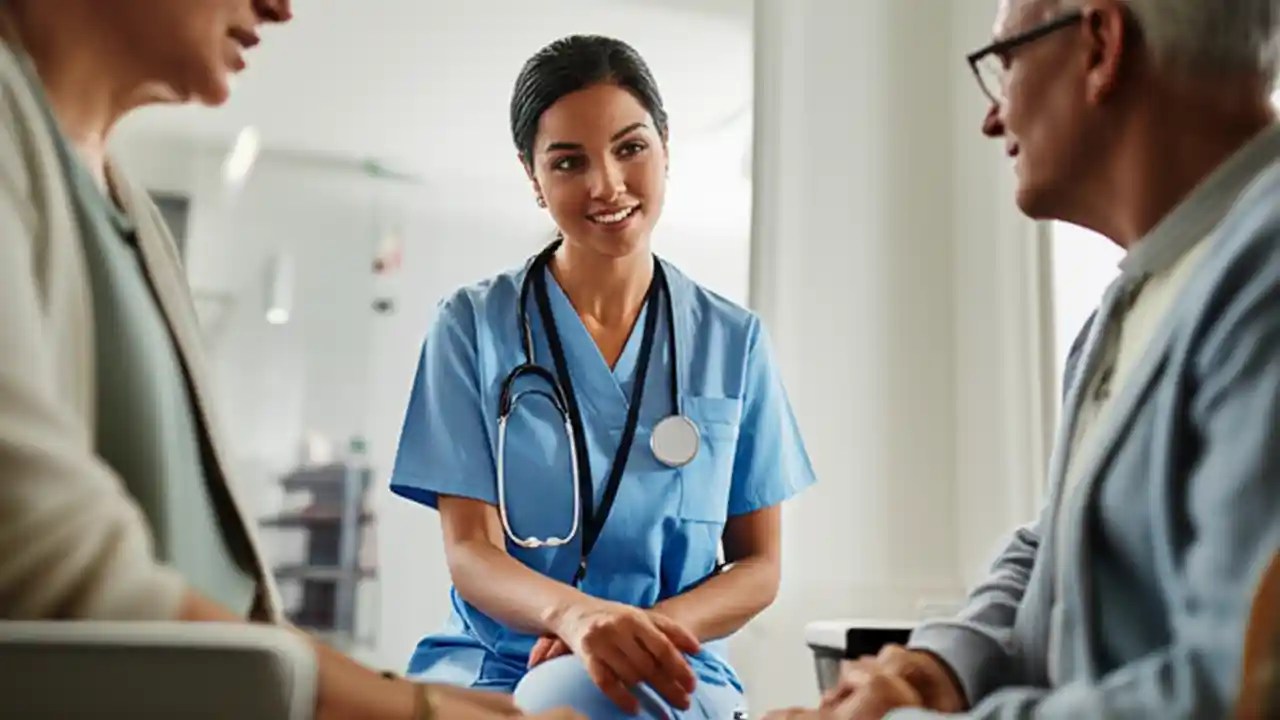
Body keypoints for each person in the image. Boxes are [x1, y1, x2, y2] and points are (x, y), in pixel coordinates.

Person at [0, 1, 578, 718]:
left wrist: (415, 699)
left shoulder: (135, 216)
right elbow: (47, 559)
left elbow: (226, 602)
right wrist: (413, 713)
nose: (279, 6)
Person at [764, 0, 1280, 718]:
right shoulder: (1133, 304)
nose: (992, 117)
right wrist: (935, 668)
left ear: (1099, 45)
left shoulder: (1265, 282)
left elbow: (1234, 690)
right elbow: (1057, 546)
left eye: (1005, 63)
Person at [388, 33, 817, 719]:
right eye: (568, 162)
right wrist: (575, 619)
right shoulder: (471, 326)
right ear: (534, 178)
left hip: (673, 658)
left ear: (666, 148)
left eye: (630, 148)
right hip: (500, 661)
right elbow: (470, 549)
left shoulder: (734, 342)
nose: (607, 185)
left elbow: (758, 566)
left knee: (603, 695)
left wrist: (636, 636)